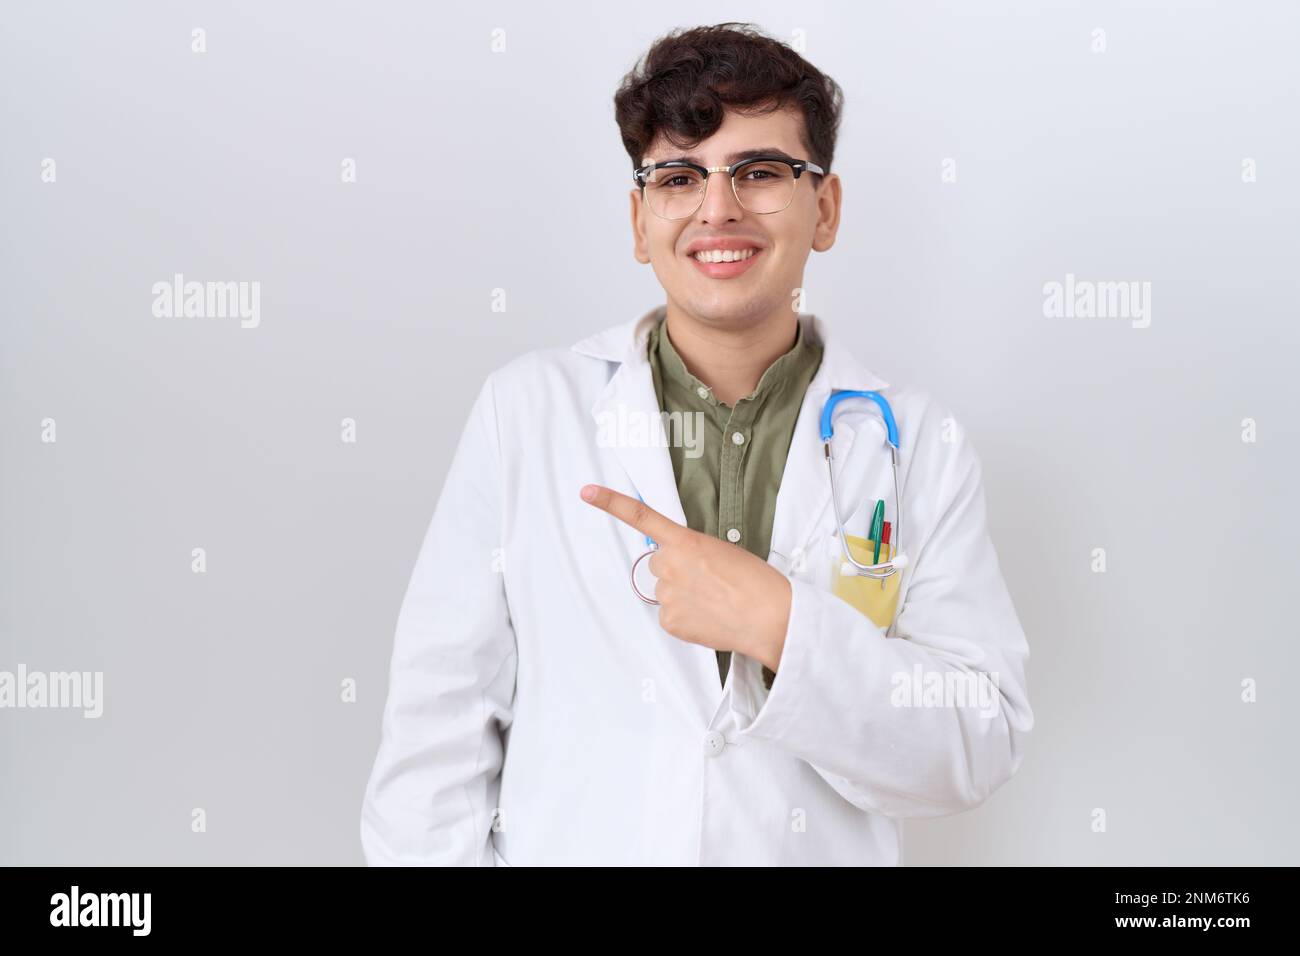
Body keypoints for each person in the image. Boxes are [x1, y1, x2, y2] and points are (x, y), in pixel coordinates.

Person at [360, 22, 1032, 866]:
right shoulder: (526, 413)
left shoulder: (917, 445)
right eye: (680, 176)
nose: (719, 207)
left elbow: (978, 737)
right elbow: (433, 747)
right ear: (641, 220)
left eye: (759, 172)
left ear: (823, 209)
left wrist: (784, 627)